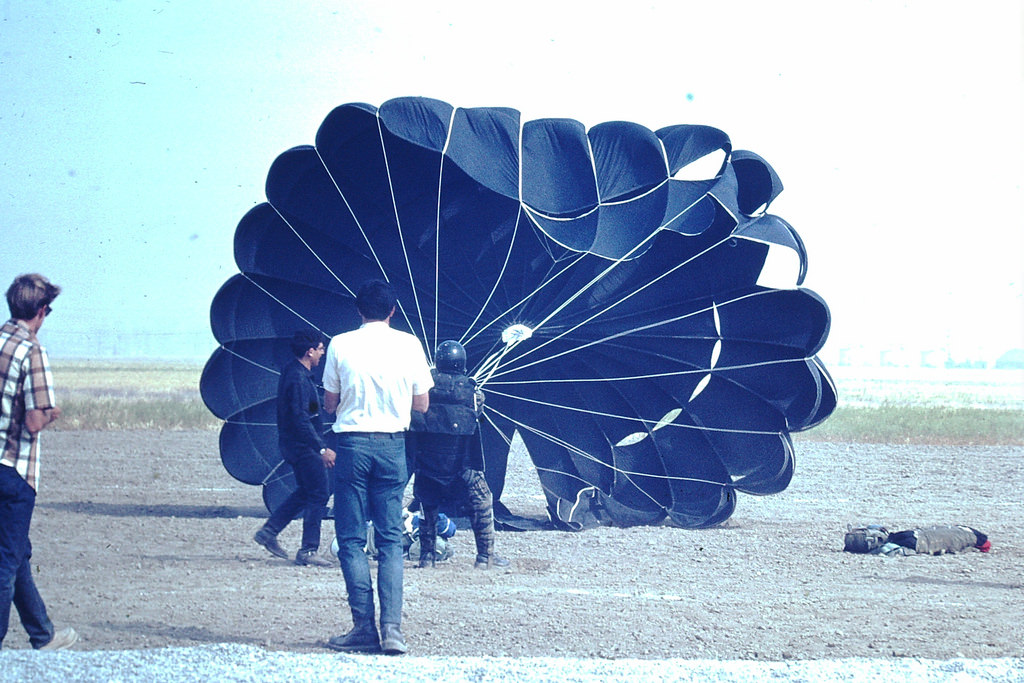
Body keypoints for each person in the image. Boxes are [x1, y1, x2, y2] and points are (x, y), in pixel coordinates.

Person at [321, 280, 432, 655]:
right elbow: (421, 405)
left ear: (358, 311)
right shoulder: (410, 344)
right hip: (392, 447)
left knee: (351, 539)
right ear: (393, 311)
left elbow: (330, 403)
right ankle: (393, 630)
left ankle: (364, 627)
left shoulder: (339, 343)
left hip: (352, 445)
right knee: (389, 541)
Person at [0, 273, 78, 651]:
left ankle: (42, 635)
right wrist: (53, 413)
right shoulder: (32, 350)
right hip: (14, 470)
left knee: (17, 554)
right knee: (5, 560)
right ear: (42, 311)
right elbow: (33, 421)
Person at [410, 340, 509, 570]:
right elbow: (478, 417)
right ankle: (485, 557)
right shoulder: (474, 395)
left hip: (428, 467)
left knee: (427, 505)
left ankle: (427, 557)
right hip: (463, 468)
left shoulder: (424, 390)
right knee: (483, 502)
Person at [253, 330, 337, 567]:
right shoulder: (299, 379)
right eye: (320, 349)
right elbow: (301, 419)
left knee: (306, 492)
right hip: (303, 446)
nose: (322, 354)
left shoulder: (293, 372)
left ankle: (269, 532)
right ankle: (308, 550)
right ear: (310, 352)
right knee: (320, 493)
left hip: (295, 444)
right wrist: (321, 448)